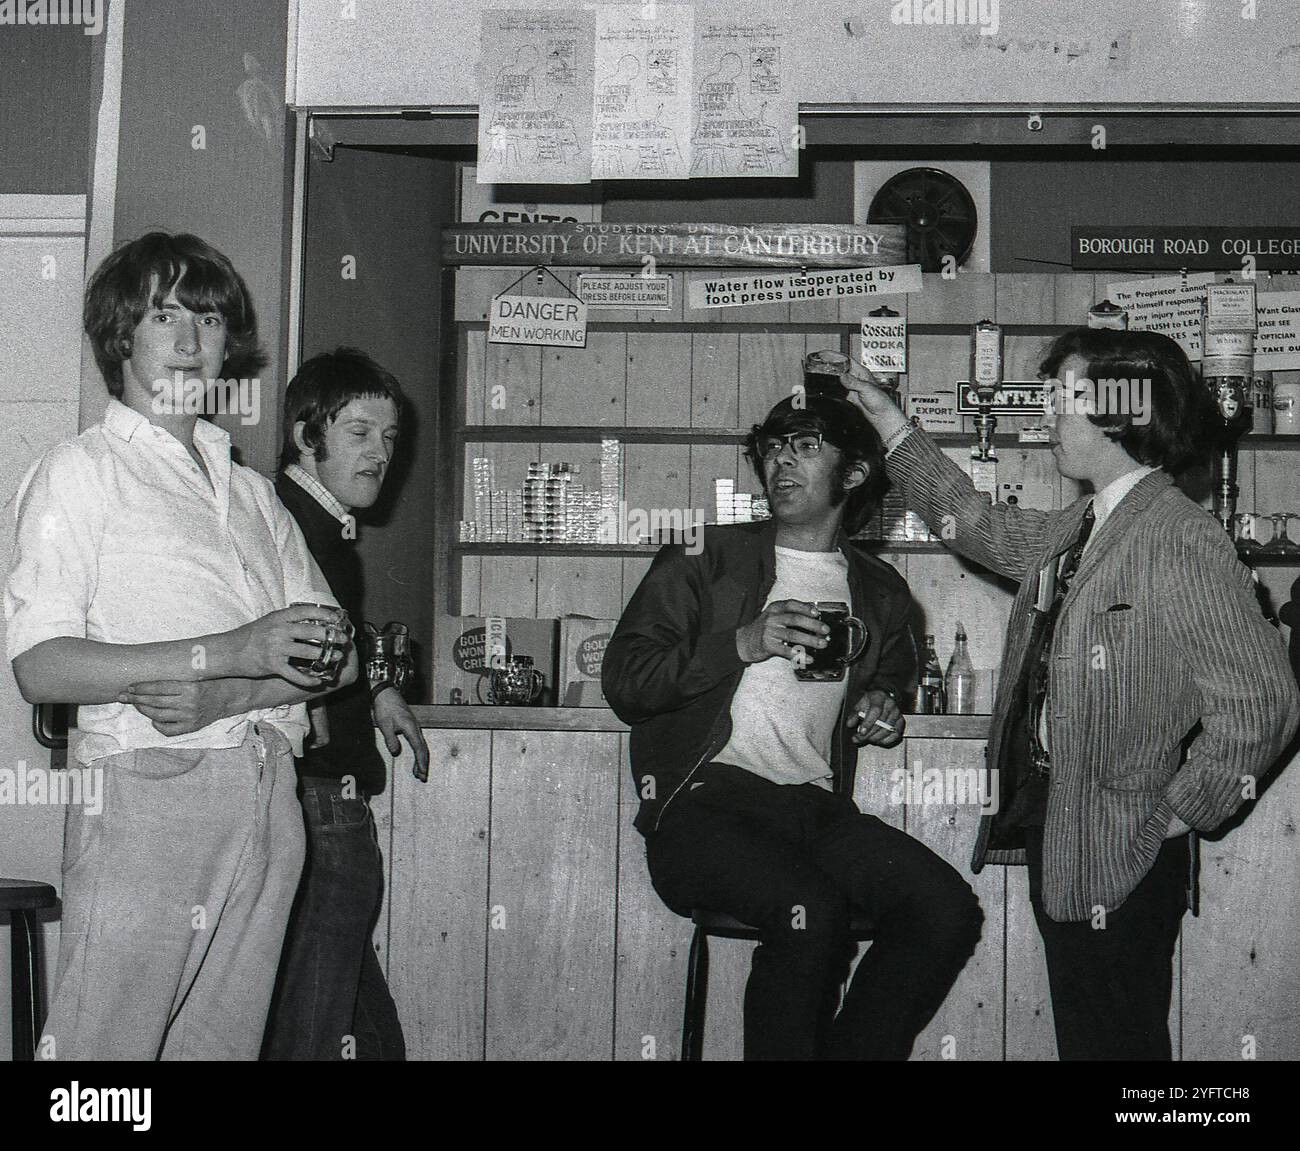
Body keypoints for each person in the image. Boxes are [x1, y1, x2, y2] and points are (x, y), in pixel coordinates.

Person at [845, 328, 1300, 1060]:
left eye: (1067, 398)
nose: (1047, 416)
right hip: (1065, 844)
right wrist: (890, 422)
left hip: (1126, 853)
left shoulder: (1180, 536)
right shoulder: (1083, 526)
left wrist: (1177, 814)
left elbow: (1262, 703)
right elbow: (980, 522)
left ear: (1128, 411)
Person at [4, 231, 356, 1060]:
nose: (193, 342)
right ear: (122, 335)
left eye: (208, 319)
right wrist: (232, 651)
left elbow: (334, 657)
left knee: (217, 1050)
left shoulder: (254, 495)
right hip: (147, 788)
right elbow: (40, 665)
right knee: (103, 1052)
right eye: (167, 317)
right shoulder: (80, 471)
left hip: (270, 794)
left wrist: (235, 691)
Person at [602, 387, 984, 1061]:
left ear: (856, 472)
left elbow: (891, 673)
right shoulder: (703, 556)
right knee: (811, 911)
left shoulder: (883, 591)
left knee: (945, 908)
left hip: (812, 811)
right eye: (773, 446)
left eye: (806, 446)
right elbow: (628, 682)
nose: (781, 461)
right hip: (701, 809)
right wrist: (742, 643)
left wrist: (884, 703)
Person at [261, 347, 430, 1061]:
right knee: (314, 1023)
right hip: (321, 802)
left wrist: (377, 684)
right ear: (307, 434)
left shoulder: (314, 524)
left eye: (389, 438)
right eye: (359, 432)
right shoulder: (288, 522)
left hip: (325, 801)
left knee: (357, 1027)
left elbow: (326, 626)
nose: (380, 453)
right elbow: (303, 651)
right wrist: (344, 683)